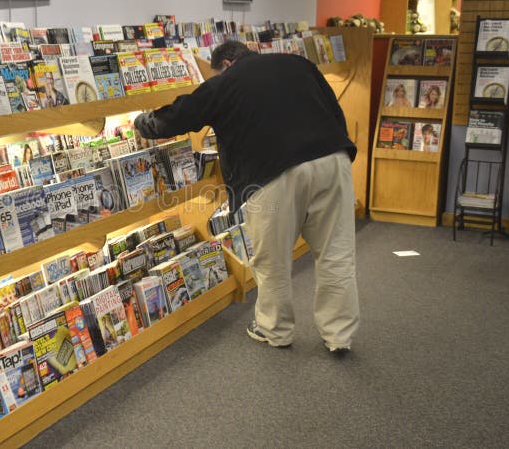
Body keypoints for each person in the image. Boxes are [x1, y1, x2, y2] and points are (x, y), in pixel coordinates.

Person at [134, 41, 360, 353]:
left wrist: (142, 122)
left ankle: (275, 329)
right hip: (332, 159)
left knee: (273, 259)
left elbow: (180, 115)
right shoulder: (299, 64)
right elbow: (335, 111)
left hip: (272, 173)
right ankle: (339, 336)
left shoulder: (225, 83)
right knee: (336, 253)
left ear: (225, 64)